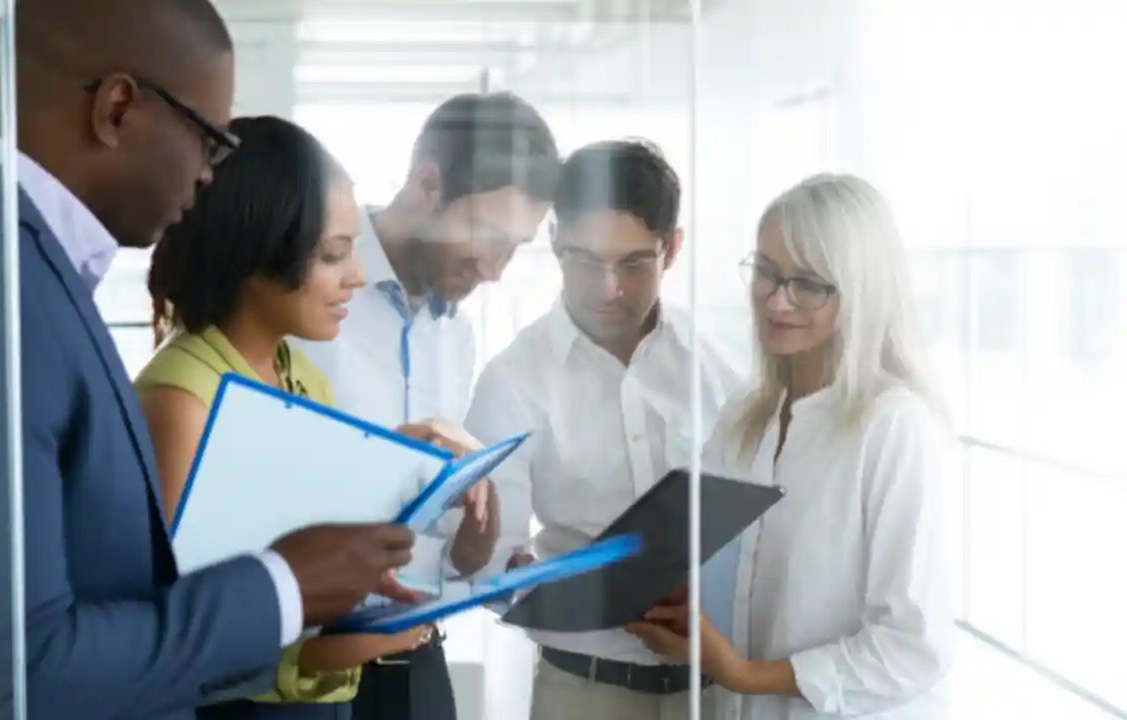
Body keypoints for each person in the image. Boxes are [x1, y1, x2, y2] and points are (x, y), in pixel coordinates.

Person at [0, 3, 417, 719]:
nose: (210, 178)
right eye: (208, 142)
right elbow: (5, 679)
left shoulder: (6, 258)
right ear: (117, 110)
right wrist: (281, 589)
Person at [138, 115, 447, 720]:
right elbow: (194, 638)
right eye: (334, 255)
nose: (357, 276)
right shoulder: (181, 402)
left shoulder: (299, 375)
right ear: (256, 254)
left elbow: (305, 560)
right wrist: (371, 638)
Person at [627, 174, 955, 719]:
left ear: (861, 292)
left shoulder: (894, 426)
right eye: (766, 271)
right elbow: (714, 566)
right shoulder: (745, 416)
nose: (777, 301)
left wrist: (744, 673)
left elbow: (911, 648)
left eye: (808, 283)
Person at [292, 91, 563, 720]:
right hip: (310, 670)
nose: (495, 270)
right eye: (488, 234)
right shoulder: (307, 282)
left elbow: (441, 550)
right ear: (426, 183)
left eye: (515, 247)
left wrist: (480, 535)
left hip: (418, 665)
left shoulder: (456, 333)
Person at [463, 139, 743, 720]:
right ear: (554, 242)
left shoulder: (721, 370)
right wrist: (572, 587)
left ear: (672, 250)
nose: (607, 288)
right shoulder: (514, 380)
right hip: (584, 694)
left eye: (633, 262)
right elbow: (484, 565)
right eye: (584, 259)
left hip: (714, 687)